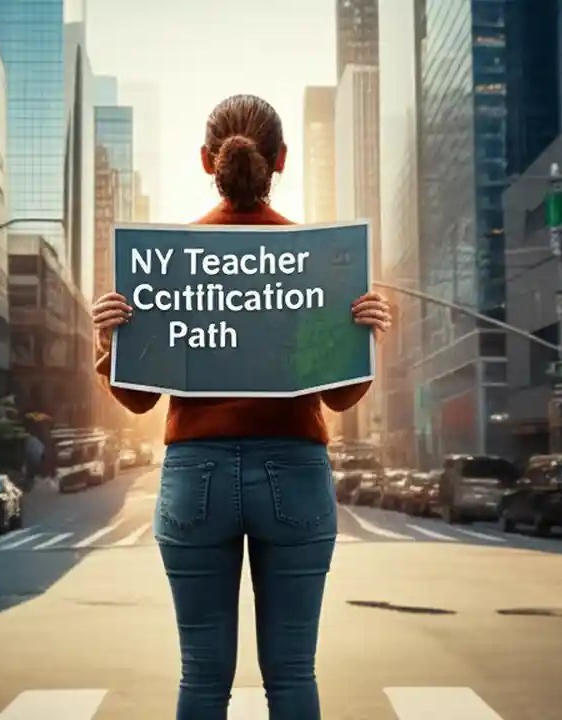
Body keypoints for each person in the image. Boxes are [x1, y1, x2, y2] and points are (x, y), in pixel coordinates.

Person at [91, 94, 392, 720]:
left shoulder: (164, 261)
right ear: (281, 159)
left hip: (193, 476)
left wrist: (109, 344)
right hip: (296, 475)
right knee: (291, 676)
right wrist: (361, 337)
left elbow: (140, 400)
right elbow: (338, 396)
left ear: (207, 160)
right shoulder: (320, 263)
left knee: (201, 680)